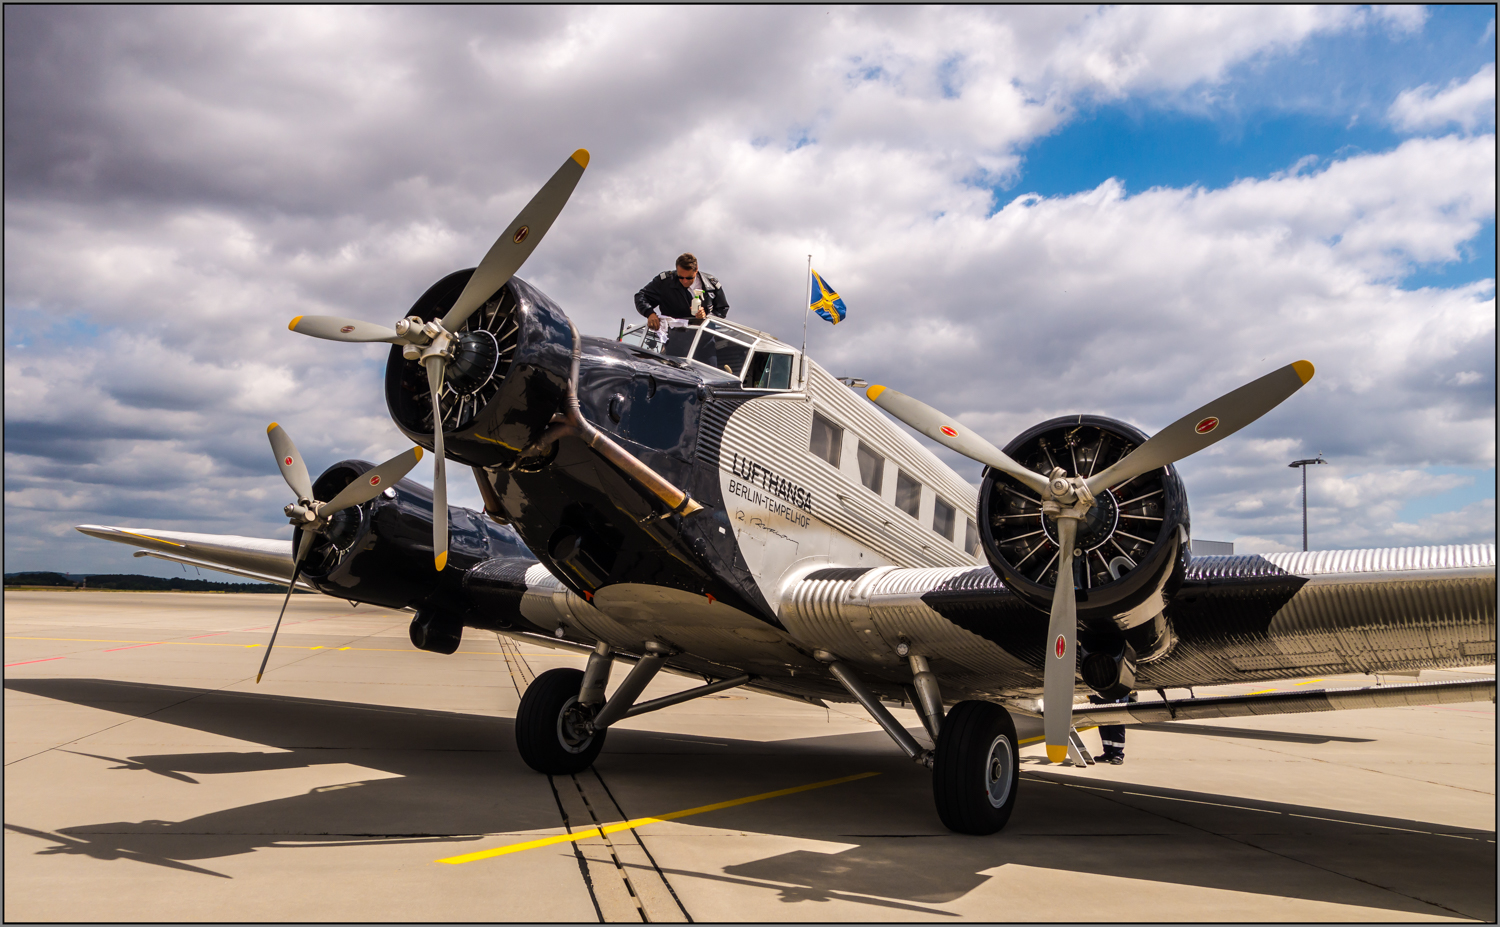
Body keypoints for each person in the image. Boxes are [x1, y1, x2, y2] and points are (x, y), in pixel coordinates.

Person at [634, 253, 729, 360]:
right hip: (676, 340)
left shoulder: (711, 284)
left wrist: (706, 316)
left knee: (708, 374)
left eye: (689, 278)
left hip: (704, 342)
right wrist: (649, 313)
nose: (684, 281)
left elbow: (722, 309)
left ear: (696, 270)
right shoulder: (665, 282)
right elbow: (641, 296)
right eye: (680, 277)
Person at [1089, 692, 1131, 764]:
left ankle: (1118, 755)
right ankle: (1108, 753)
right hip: (1100, 697)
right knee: (1104, 727)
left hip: (1115, 697)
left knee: (1116, 727)